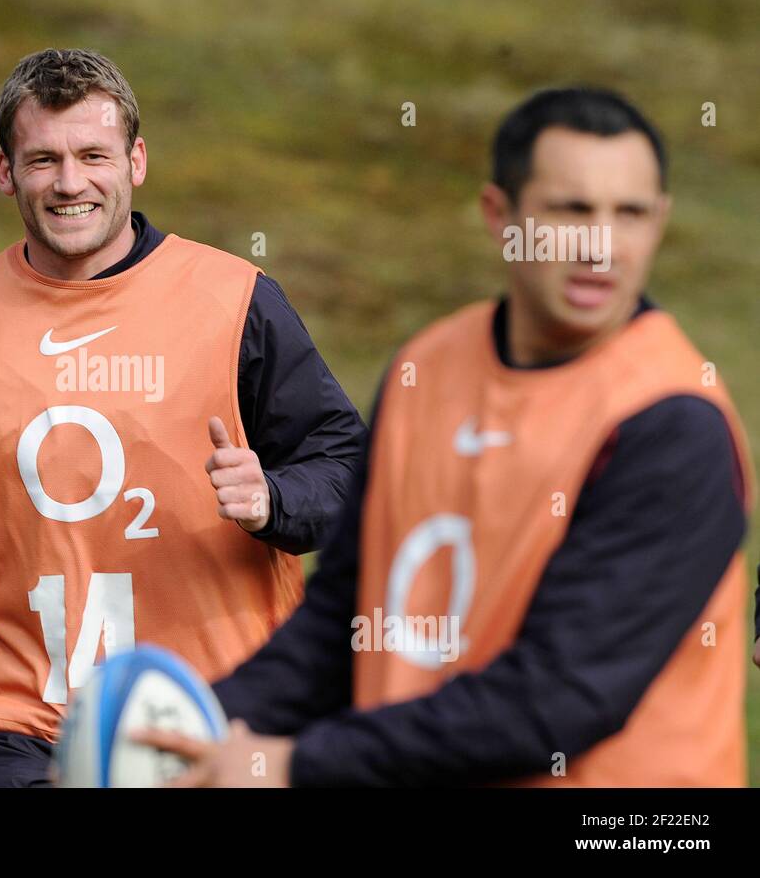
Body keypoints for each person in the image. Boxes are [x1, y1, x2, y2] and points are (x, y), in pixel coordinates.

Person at [138, 87, 753, 787]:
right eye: (570, 210)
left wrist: (299, 764)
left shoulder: (673, 425)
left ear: (661, 223)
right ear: (501, 216)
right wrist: (173, 739)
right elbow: (340, 623)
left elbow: (555, 699)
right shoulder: (424, 370)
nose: (600, 245)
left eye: (630, 214)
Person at [0, 48, 365, 787]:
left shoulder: (236, 301)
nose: (70, 183)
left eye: (93, 154)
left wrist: (275, 500)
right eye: (43, 160)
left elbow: (351, 469)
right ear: (6, 172)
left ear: (135, 160)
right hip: (28, 726)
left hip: (222, 718)